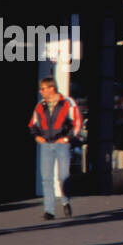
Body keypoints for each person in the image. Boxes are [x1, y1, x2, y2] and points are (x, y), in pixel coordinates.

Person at [28, 78, 82, 220]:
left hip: (61, 144)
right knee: (46, 178)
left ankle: (65, 201)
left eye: (43, 88)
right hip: (46, 144)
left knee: (63, 176)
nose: (41, 91)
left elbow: (77, 122)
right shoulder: (40, 105)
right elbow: (33, 123)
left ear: (52, 88)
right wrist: (37, 137)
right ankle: (49, 210)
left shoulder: (67, 102)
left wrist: (67, 138)